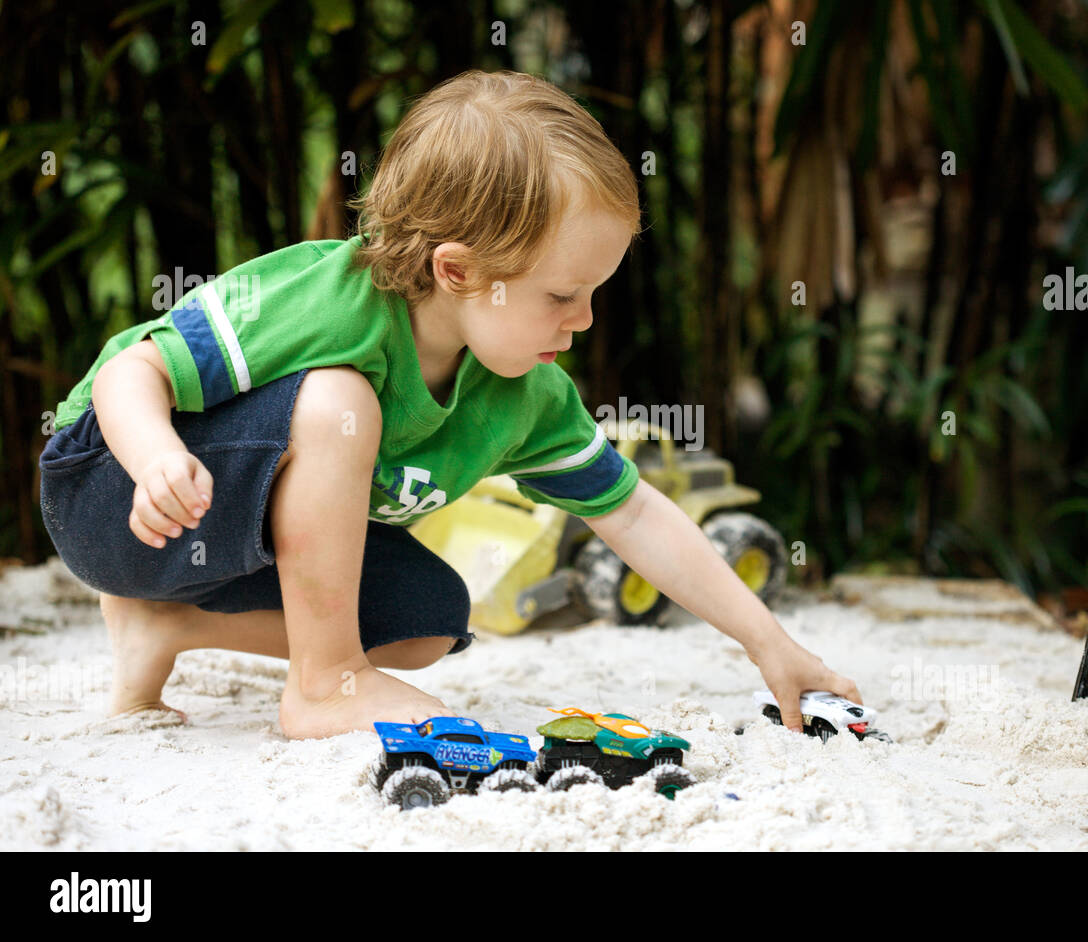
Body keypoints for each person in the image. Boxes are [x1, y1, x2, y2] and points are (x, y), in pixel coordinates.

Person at [39, 70, 862, 740]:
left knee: (430, 620)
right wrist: (153, 459)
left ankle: (164, 629)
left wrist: (772, 646)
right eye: (563, 295)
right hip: (109, 489)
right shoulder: (329, 299)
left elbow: (637, 514)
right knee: (336, 401)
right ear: (459, 271)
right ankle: (325, 686)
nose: (583, 322)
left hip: (209, 552)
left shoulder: (526, 394)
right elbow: (130, 372)